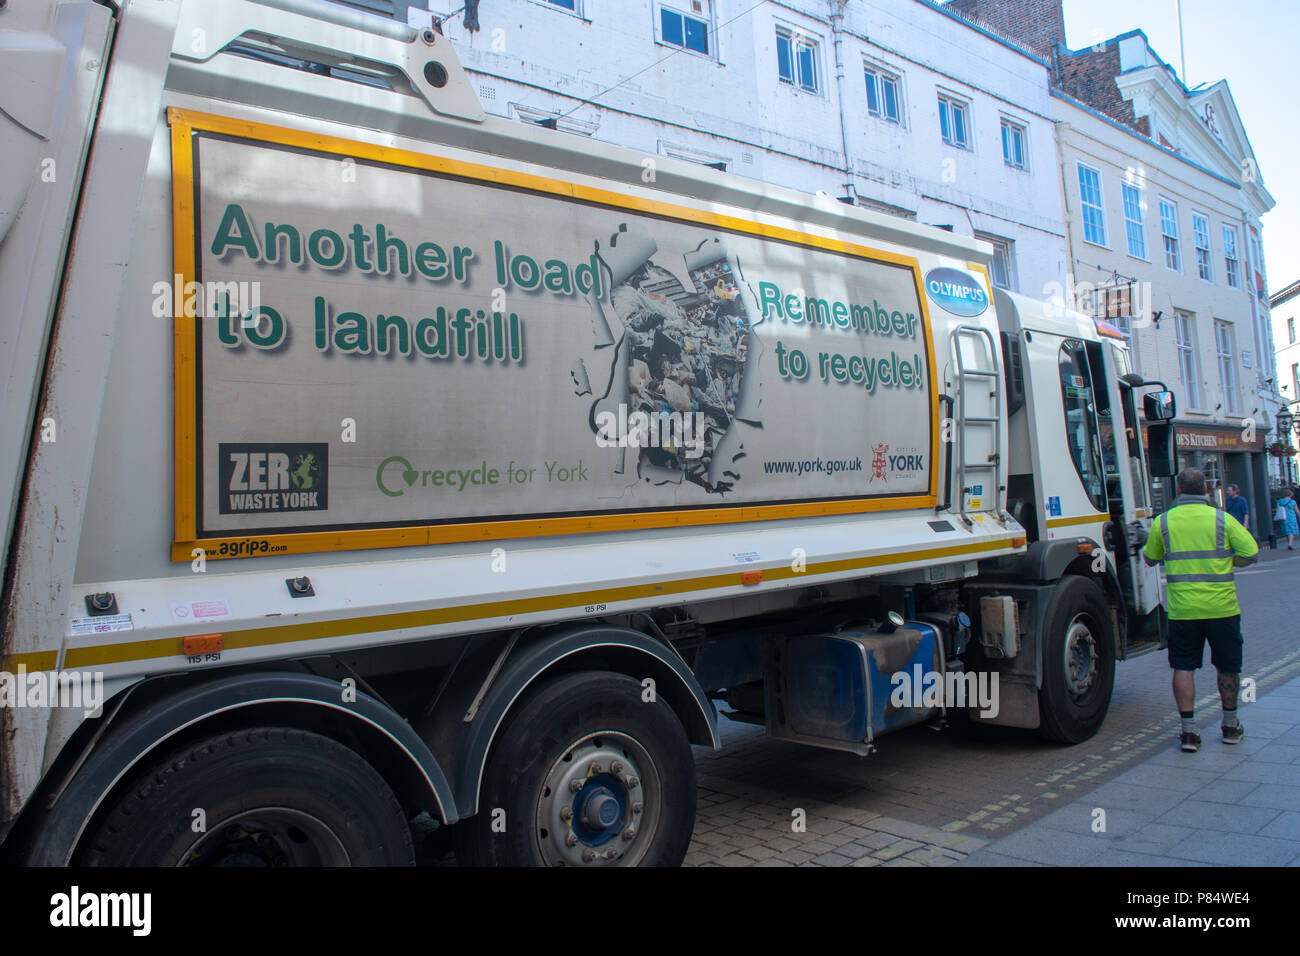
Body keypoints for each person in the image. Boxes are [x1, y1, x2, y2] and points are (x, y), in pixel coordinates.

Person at [1143, 468, 1258, 752]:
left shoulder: (1164, 522)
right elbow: (1251, 553)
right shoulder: (1222, 519)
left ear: (1178, 490)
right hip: (1223, 609)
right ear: (1206, 489)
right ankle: (1230, 726)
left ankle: (1189, 733)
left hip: (1184, 612)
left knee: (1184, 667)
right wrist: (1228, 562)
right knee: (1228, 666)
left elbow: (1149, 559)